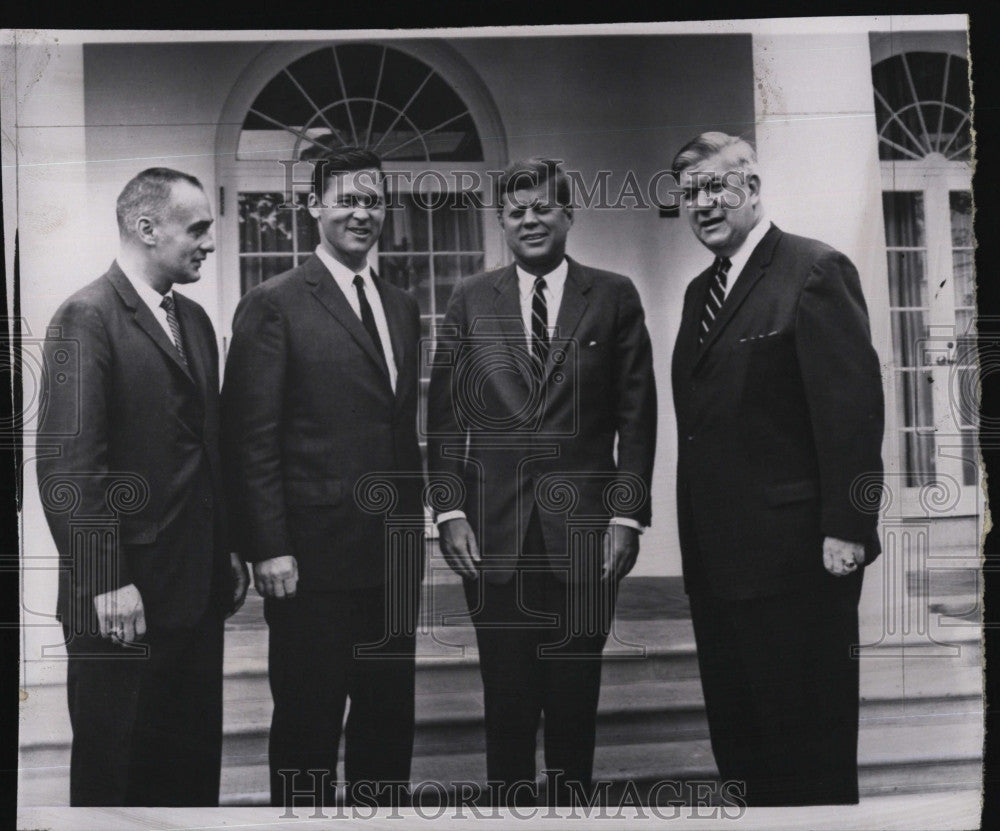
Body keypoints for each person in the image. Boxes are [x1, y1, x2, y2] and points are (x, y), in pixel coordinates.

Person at [427, 157, 657, 806]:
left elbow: (637, 417)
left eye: (542, 207)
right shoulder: (471, 298)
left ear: (568, 215)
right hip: (493, 539)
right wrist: (448, 511)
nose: (529, 219)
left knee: (573, 704)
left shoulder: (612, 296)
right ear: (501, 221)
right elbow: (444, 419)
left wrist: (626, 516)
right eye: (516, 210)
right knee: (505, 707)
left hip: (584, 536)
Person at [670, 132, 884, 805]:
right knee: (743, 746)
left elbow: (851, 414)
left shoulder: (814, 270)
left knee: (806, 748)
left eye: (715, 186)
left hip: (799, 566)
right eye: (689, 193)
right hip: (720, 569)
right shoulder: (698, 292)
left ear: (752, 188)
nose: (703, 203)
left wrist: (847, 527)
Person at [37, 168, 249, 806]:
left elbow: (206, 452)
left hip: (194, 597)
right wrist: (106, 580)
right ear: (146, 226)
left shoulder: (198, 324)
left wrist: (228, 549)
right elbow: (69, 467)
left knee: (187, 781)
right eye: (199, 228)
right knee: (118, 785)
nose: (210, 242)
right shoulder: (85, 317)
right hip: (119, 603)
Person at [222, 147, 424, 808]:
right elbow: (250, 437)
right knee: (308, 728)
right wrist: (269, 544)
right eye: (347, 199)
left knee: (387, 726)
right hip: (311, 563)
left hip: (390, 561)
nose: (362, 213)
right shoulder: (273, 304)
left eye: (373, 200)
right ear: (313, 206)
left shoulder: (401, 305)